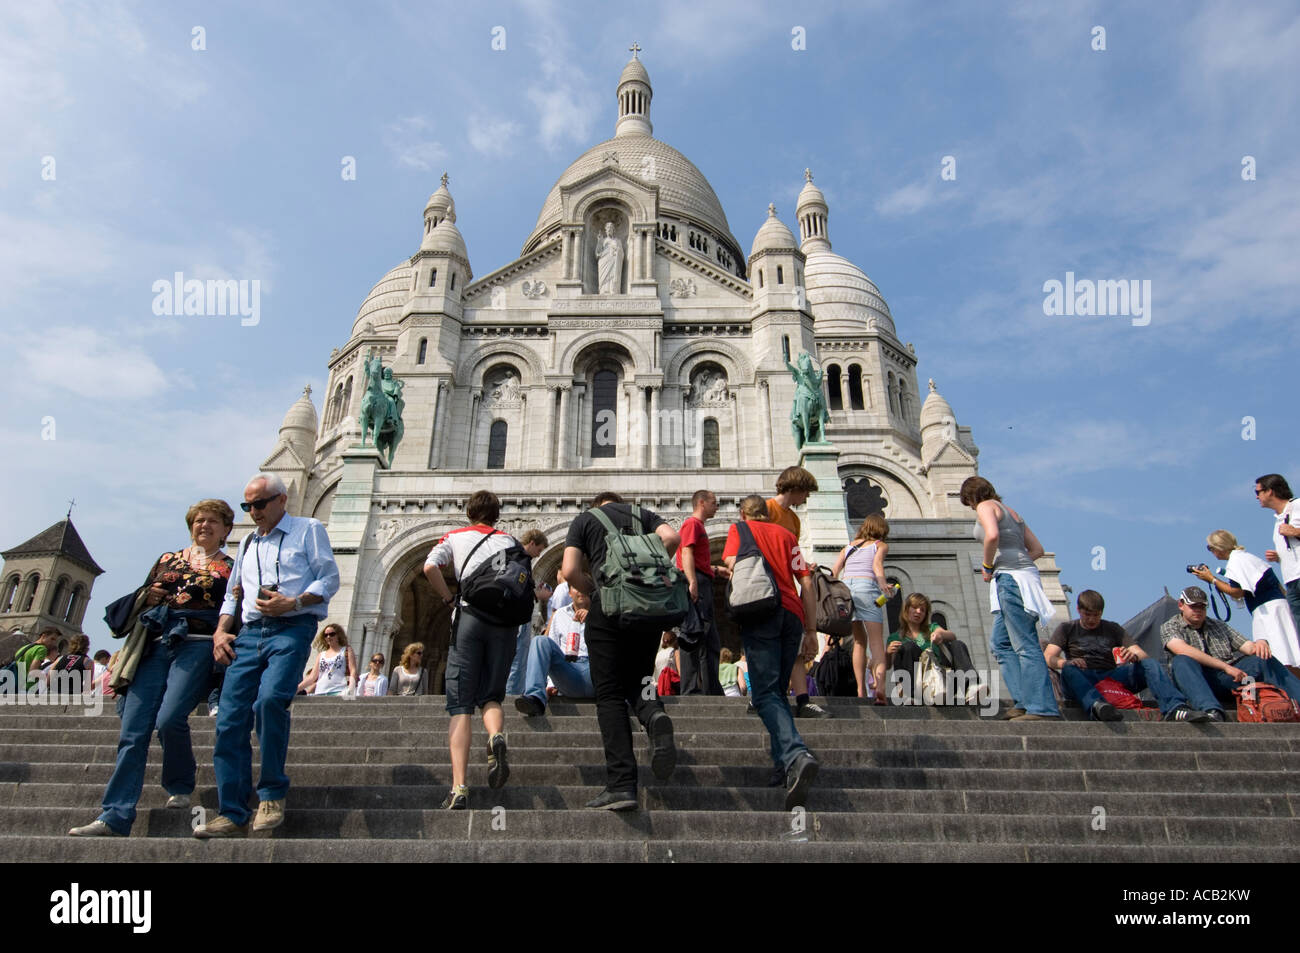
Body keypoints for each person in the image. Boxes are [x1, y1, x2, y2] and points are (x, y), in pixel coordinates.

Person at [71, 499, 237, 837]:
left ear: (225, 530)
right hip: (155, 643)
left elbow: (233, 608)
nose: (203, 526)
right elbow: (144, 594)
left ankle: (179, 782)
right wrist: (148, 596)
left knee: (170, 719)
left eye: (212, 522)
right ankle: (114, 816)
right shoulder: (167, 559)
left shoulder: (231, 567)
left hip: (196, 644)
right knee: (132, 731)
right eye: (198, 521)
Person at [194, 473, 340, 838]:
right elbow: (234, 593)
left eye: (259, 504)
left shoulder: (308, 530)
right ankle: (232, 811)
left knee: (271, 701)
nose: (253, 511)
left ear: (281, 500)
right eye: (248, 506)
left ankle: (272, 794)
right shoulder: (246, 543)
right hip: (249, 633)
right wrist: (221, 630)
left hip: (292, 628)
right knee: (228, 719)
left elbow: (329, 579)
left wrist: (294, 601)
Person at [562, 491, 680, 811]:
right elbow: (671, 538)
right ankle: (653, 714)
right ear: (620, 502)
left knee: (610, 694)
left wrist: (596, 587)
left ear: (597, 504)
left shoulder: (585, 520)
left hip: (609, 608)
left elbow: (570, 570)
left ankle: (622, 785)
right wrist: (645, 576)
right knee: (641, 677)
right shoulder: (643, 514)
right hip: (646, 608)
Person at [423, 490, 523, 810]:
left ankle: (460, 788)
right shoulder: (510, 541)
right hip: (504, 624)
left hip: (468, 618)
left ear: (469, 512)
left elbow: (429, 568)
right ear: (498, 514)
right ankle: (495, 736)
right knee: (492, 696)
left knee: (461, 706)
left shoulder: (455, 536)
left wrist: (448, 598)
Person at [724, 495, 820, 808]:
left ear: (744, 513)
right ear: (768, 513)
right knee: (778, 692)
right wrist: (811, 630)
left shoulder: (741, 530)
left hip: (762, 610)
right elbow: (806, 582)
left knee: (764, 694)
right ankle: (782, 768)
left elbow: (732, 565)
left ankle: (796, 754)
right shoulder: (788, 536)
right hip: (792, 615)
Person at [960, 476, 1060, 721]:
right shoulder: (1013, 513)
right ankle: (1024, 702)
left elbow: (992, 535)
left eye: (969, 503)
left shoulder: (985, 506)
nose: (972, 508)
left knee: (1025, 644)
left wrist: (988, 565)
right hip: (1023, 576)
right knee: (1001, 644)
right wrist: (1017, 562)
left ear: (972, 497)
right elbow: (1037, 549)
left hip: (1011, 580)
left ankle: (1042, 707)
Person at [1044, 590, 1207, 722]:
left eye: (1096, 615)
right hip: (1082, 677)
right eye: (1088, 615)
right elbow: (1049, 657)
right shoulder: (1066, 629)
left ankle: (1175, 708)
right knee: (1069, 670)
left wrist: (1133, 655)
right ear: (1079, 610)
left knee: (1149, 664)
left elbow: (1141, 653)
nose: (1092, 619)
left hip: (1110, 676)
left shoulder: (1112, 628)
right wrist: (1066, 662)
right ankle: (1097, 706)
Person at [1161, 586, 1300, 720]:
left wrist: (1261, 642)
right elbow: (1181, 649)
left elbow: (1249, 647)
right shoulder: (1170, 626)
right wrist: (1226, 667)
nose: (1198, 610)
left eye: (1202, 607)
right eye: (1193, 606)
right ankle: (1211, 711)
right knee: (1182, 660)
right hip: (1198, 681)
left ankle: (1297, 699)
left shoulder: (1219, 625)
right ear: (1181, 605)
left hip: (1227, 679)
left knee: (1262, 659)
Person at [766, 466, 831, 718]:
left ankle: (803, 699)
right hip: (768, 589)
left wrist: (804, 566)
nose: (806, 499)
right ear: (795, 488)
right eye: (806, 493)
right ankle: (768, 694)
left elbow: (792, 554)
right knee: (770, 644)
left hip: (788, 588)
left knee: (794, 644)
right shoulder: (767, 509)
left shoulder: (793, 520)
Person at [1192, 530, 1300, 669]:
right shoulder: (1249, 557)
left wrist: (1212, 579)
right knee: (1292, 653)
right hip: (1278, 607)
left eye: (1210, 548)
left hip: (1268, 613)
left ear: (1218, 548)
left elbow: (1237, 592)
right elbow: (1277, 586)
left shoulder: (1235, 562)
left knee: (1282, 658)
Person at [831, 514, 891, 702]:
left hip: (847, 591)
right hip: (867, 588)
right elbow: (877, 565)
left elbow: (834, 572)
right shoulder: (879, 545)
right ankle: (880, 686)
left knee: (858, 642)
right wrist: (883, 584)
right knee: (876, 642)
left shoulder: (848, 547)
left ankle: (860, 690)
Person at [676, 490, 729, 695]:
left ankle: (712, 689)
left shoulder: (698, 527)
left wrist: (715, 569)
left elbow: (696, 557)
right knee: (693, 635)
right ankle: (690, 689)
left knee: (709, 640)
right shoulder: (692, 524)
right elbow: (687, 551)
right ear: (701, 503)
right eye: (714, 502)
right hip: (697, 582)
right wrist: (692, 582)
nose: (717, 506)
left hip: (702, 579)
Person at [886, 592, 980, 705]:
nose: (918, 612)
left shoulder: (931, 628)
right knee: (908, 647)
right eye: (914, 608)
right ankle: (908, 693)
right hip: (918, 683)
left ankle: (971, 686)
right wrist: (888, 653)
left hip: (943, 677)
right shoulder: (895, 637)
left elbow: (951, 635)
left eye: (922, 610)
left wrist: (940, 634)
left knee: (957, 644)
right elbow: (887, 665)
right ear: (906, 609)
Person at [515, 589, 594, 715]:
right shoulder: (560, 615)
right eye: (575, 586)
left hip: (595, 670)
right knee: (540, 641)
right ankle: (535, 697)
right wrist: (551, 685)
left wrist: (594, 619)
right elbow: (552, 649)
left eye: (583, 586)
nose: (580, 590)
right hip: (570, 670)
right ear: (569, 592)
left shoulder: (602, 614)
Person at [505, 528, 550, 696]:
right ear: (532, 543)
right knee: (517, 660)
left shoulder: (510, 555)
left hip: (510, 617)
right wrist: (538, 594)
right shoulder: (521, 559)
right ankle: (512, 696)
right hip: (518, 618)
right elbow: (517, 590)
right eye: (538, 550)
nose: (538, 555)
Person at [1258, 474, 1300, 630]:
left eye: (1258, 492)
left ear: (1270, 491)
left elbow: (1294, 534)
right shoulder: (1278, 521)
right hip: (1291, 581)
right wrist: (1279, 557)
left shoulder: (1297, 506)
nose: (1257, 497)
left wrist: (1296, 531)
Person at [298, 623, 357, 696]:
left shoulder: (346, 650)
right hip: (320, 691)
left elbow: (353, 670)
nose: (328, 637)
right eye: (325, 635)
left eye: (332, 634)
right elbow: (312, 676)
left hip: (339, 691)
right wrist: (297, 688)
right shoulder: (321, 655)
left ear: (338, 635)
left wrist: (351, 688)